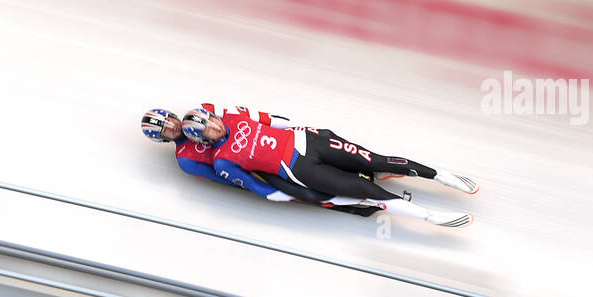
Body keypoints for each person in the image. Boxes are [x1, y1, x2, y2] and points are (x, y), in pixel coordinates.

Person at [180, 104, 477, 228]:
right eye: (206, 130)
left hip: (308, 141)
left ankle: (441, 176)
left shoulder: (234, 115)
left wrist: (307, 128)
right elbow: (255, 185)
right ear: (202, 138)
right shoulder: (222, 160)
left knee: (374, 160)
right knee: (364, 189)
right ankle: (429, 217)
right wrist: (283, 195)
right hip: (298, 170)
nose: (214, 127)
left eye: (211, 121)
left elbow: (272, 120)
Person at [140, 106, 380, 216]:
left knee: (322, 142)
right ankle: (353, 205)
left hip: (265, 144)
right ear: (164, 139)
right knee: (304, 191)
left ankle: (364, 165)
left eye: (171, 122)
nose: (174, 127)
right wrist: (249, 182)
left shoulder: (200, 113)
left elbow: (236, 120)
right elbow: (219, 176)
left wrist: (278, 124)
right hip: (250, 168)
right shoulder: (185, 160)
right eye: (168, 131)